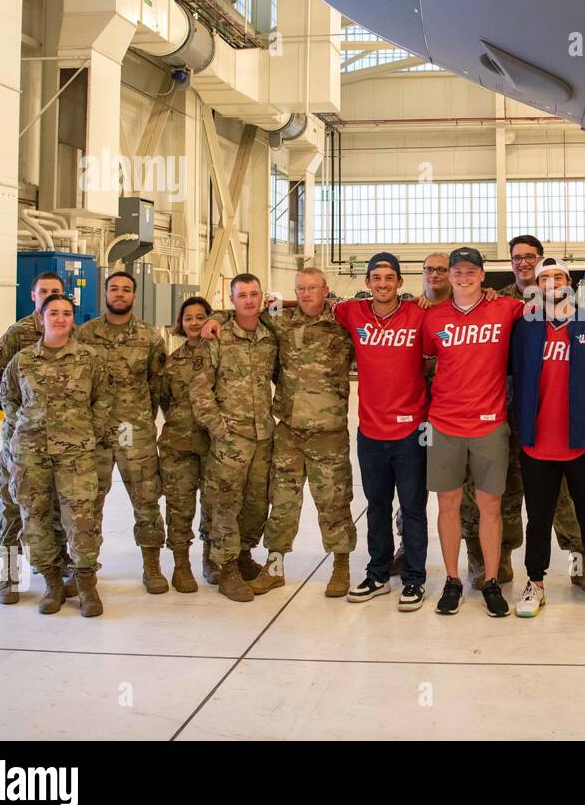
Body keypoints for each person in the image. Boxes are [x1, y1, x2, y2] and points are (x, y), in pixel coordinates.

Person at [204, 268, 357, 597]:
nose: (305, 294)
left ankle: (340, 567)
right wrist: (214, 316)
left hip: (329, 433)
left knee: (333, 502)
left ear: (325, 290)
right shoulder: (281, 321)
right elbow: (245, 310)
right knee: (283, 503)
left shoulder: (344, 323)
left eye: (312, 288)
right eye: (300, 288)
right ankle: (275, 566)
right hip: (288, 432)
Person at [510, 257, 585, 618]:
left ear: (570, 281)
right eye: (544, 278)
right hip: (537, 444)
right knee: (538, 519)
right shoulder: (524, 326)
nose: (551, 283)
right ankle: (535, 583)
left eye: (558, 277)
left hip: (584, 443)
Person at [422, 246, 526, 617]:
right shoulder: (432, 318)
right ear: (449, 276)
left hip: (489, 424)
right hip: (445, 424)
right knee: (448, 504)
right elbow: (426, 356)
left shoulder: (505, 308)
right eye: (457, 272)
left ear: (483, 275)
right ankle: (452, 581)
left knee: (490, 506)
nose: (464, 277)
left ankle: (492, 581)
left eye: (471, 271)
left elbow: (553, 306)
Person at [0, 294, 113, 617]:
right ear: (42, 316)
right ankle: (51, 582)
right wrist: (23, 427)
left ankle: (87, 584)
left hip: (75, 453)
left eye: (66, 313)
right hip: (30, 454)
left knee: (80, 519)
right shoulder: (22, 360)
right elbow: (7, 398)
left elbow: (104, 398)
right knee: (34, 518)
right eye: (53, 313)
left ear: (72, 319)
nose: (60, 318)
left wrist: (89, 429)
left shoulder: (90, 359)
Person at [333, 253, 431, 611]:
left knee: (413, 507)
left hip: (414, 431)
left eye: (390, 278)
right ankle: (377, 573)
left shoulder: (419, 315)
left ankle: (414, 580)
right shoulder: (352, 312)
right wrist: (276, 302)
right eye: (376, 278)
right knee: (375, 506)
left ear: (400, 283)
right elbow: (316, 302)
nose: (383, 284)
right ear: (367, 283)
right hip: (371, 432)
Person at [76, 271, 170, 593]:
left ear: (134, 296)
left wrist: (143, 419)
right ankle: (86, 571)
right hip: (96, 433)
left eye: (126, 290)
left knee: (146, 501)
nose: (119, 294)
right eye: (114, 289)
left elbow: (158, 385)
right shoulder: (85, 335)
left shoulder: (149, 337)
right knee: (88, 503)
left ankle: (152, 566)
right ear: (104, 293)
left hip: (134, 431)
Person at [0, 270, 73, 604]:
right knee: (11, 503)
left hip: (61, 441)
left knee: (55, 506)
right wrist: (18, 420)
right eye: (44, 291)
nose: (51, 296)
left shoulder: (70, 333)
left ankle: (58, 564)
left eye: (57, 292)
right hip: (19, 440)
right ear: (34, 297)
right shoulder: (17, 335)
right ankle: (8, 575)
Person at [190, 273, 279, 602]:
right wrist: (218, 427)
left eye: (254, 294)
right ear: (231, 300)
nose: (249, 301)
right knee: (224, 503)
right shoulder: (217, 337)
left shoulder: (269, 336)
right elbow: (199, 389)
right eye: (242, 295)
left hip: (262, 436)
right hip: (231, 437)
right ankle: (224, 566)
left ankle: (242, 554)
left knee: (257, 503)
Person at [158, 296, 215, 592]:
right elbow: (166, 401)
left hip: (214, 445)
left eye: (200, 316)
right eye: (188, 318)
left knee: (213, 505)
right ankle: (181, 565)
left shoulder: (221, 354)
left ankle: (210, 559)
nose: (194, 322)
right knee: (179, 506)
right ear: (180, 324)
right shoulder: (173, 362)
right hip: (178, 445)